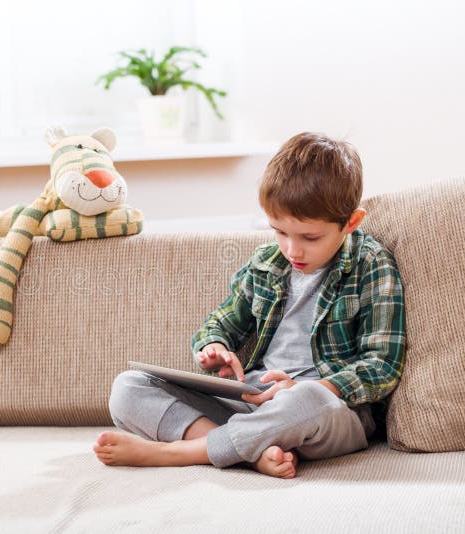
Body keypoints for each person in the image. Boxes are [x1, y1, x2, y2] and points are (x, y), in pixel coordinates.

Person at [93, 132, 406, 478]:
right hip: (255, 401)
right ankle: (251, 453)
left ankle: (182, 452)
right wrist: (215, 346)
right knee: (129, 387)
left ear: (351, 222)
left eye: (310, 237)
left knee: (304, 402)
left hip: (326, 410)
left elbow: (382, 366)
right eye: (280, 232)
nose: (292, 250)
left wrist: (311, 387)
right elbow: (220, 323)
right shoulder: (266, 262)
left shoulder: (370, 264)